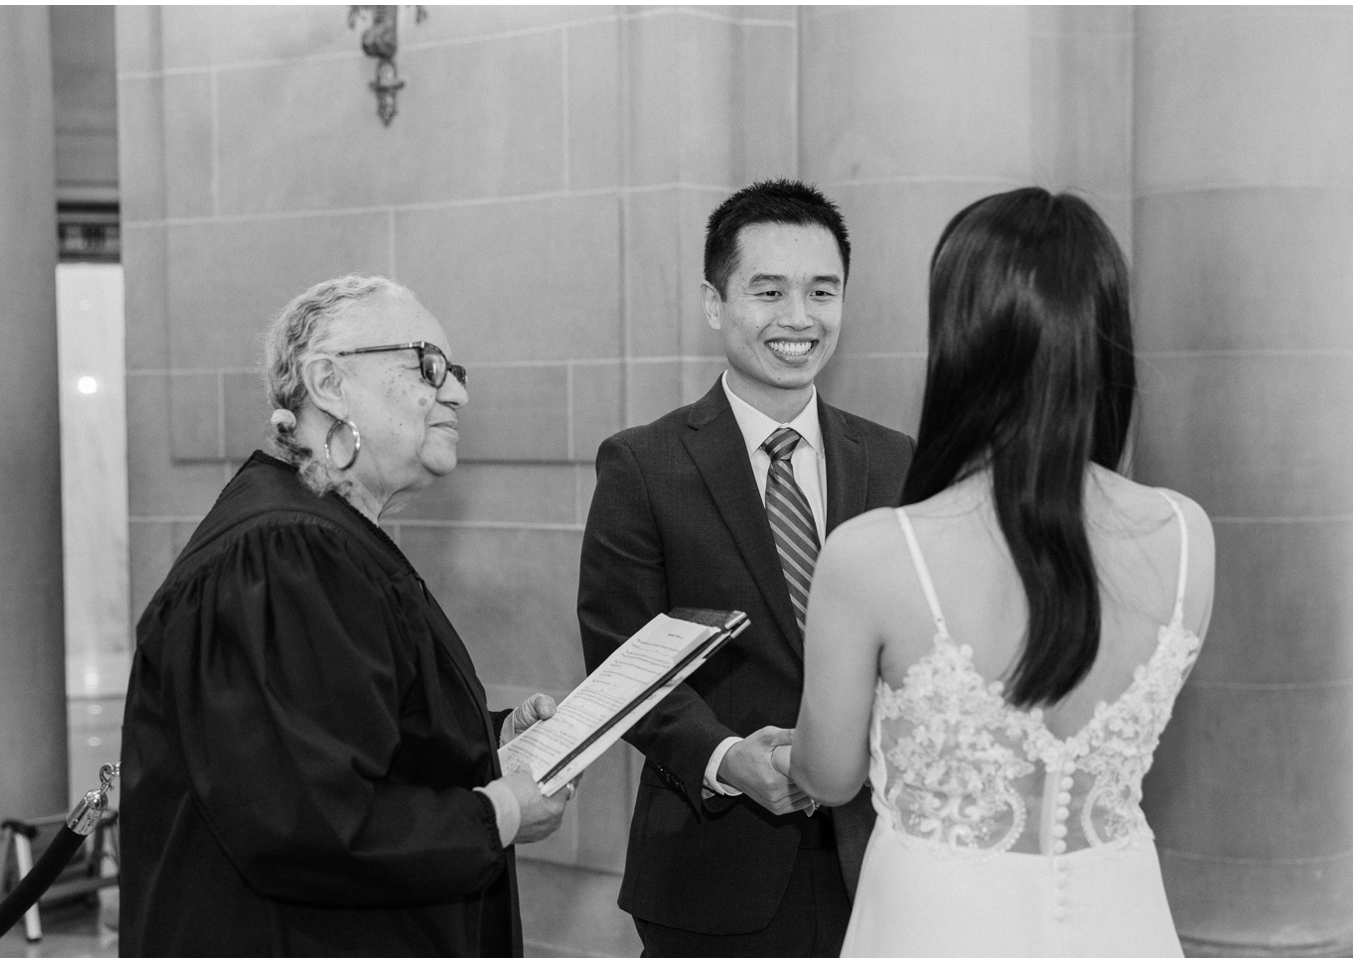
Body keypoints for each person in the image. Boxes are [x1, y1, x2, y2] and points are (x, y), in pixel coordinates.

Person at [789, 188, 1216, 956]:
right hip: (1118, 914)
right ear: (1103, 334)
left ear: (960, 340)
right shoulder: (1186, 534)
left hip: (938, 919)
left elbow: (828, 776)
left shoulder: (874, 553)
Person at [120, 275, 574, 956]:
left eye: (456, 372)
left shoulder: (318, 533)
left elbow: (342, 732)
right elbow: (309, 820)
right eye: (429, 366)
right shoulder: (284, 551)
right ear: (328, 382)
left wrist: (495, 737)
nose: (457, 392)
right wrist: (500, 810)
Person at [578, 179, 914, 955]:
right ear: (714, 302)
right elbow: (618, 660)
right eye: (769, 291)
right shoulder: (644, 463)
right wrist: (726, 758)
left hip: (881, 862)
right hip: (713, 864)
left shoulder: (895, 459)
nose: (799, 318)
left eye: (822, 291)